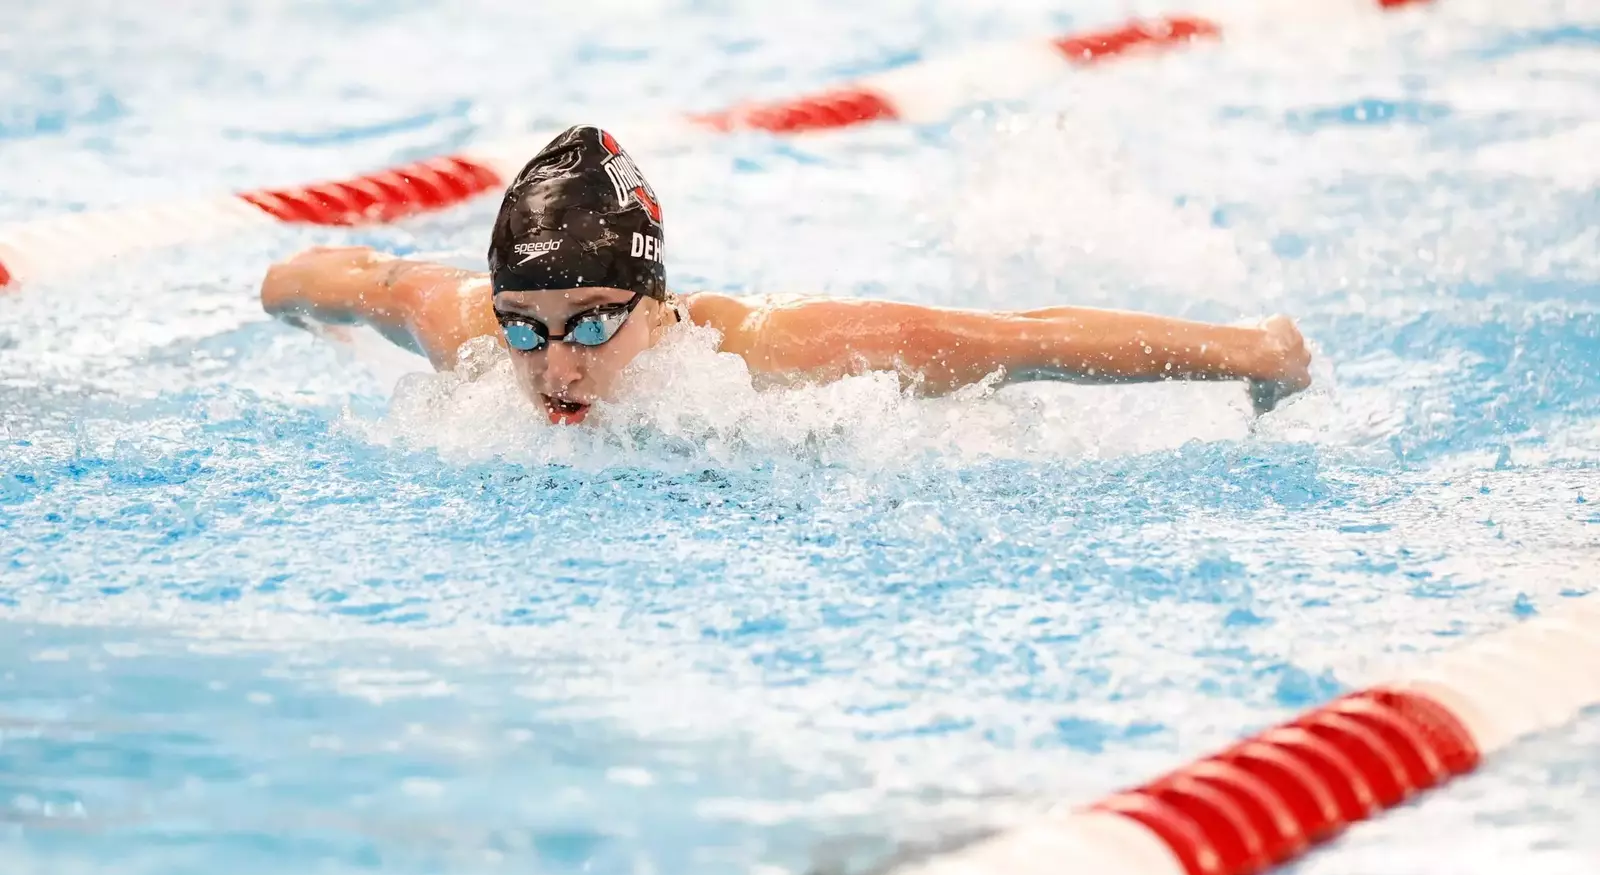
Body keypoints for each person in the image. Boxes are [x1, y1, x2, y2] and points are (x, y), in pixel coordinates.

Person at [261, 125, 1312, 426]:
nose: (553, 368)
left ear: (654, 304)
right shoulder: (470, 332)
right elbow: (339, 278)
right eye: (526, 325)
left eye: (591, 322)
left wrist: (1253, 354)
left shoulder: (776, 355)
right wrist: (293, 301)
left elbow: (1021, 340)